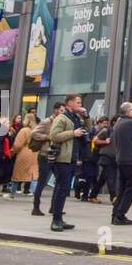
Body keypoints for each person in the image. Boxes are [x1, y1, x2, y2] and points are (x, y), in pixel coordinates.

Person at [46, 96, 85, 231]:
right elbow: (54, 136)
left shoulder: (76, 118)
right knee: (61, 189)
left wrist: (86, 117)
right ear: (70, 103)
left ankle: (59, 219)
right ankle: (55, 220)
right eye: (78, 102)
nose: (80, 105)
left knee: (64, 190)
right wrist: (73, 133)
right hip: (62, 158)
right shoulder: (61, 118)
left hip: (72, 158)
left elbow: (87, 130)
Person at [30, 104, 62, 215]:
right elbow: (34, 133)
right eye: (61, 110)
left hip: (56, 155)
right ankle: (36, 207)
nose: (63, 112)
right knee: (42, 181)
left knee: (59, 180)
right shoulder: (47, 121)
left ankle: (54, 207)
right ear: (56, 110)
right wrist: (47, 137)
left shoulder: (61, 122)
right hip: (45, 155)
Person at [10, 112, 39, 195]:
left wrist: (12, 151)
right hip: (35, 153)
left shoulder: (24, 130)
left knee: (18, 174)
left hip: (24, 153)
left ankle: (12, 193)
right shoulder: (37, 130)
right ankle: (35, 194)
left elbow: (18, 144)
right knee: (34, 175)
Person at [89, 116, 115, 203]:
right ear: (115, 122)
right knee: (110, 176)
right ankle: (113, 197)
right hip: (105, 157)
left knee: (102, 179)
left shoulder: (119, 132)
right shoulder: (106, 131)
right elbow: (94, 140)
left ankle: (93, 195)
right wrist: (105, 142)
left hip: (113, 158)